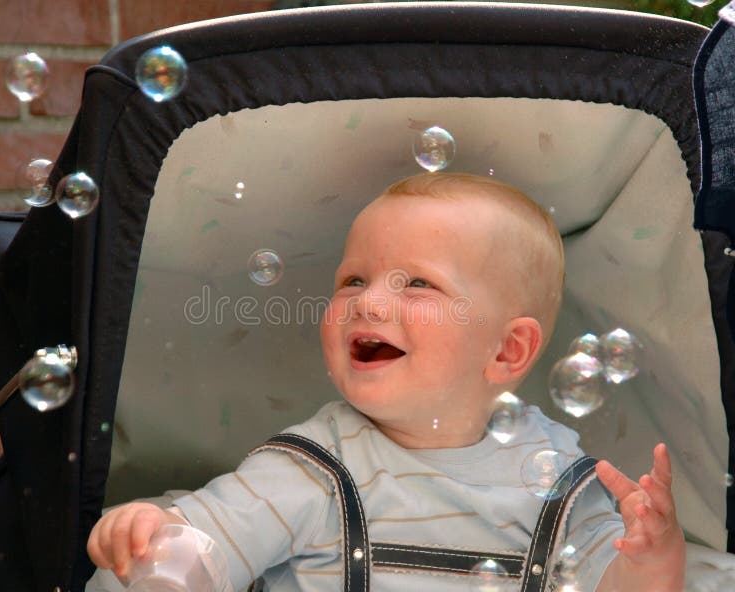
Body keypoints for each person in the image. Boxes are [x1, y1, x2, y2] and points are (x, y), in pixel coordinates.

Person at [86, 173, 685, 591]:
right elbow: (209, 545)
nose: (368, 301)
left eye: (417, 284)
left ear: (507, 349)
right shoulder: (316, 469)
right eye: (352, 280)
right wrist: (158, 537)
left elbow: (614, 582)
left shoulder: (557, 472)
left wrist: (652, 557)